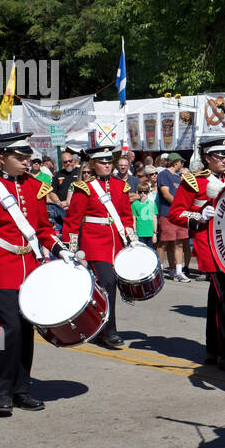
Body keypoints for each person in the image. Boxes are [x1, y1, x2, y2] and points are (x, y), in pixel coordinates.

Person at [0, 133, 66, 416]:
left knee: (26, 330)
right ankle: (2, 391)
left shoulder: (36, 187)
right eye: (19, 158)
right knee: (8, 330)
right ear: (2, 159)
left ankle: (23, 389)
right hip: (3, 268)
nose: (26, 163)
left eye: (27, 158)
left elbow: (43, 228)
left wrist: (61, 250)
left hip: (31, 269)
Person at [167, 137, 225, 370]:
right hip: (209, 245)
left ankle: (213, 350)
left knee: (218, 300)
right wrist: (199, 214)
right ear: (207, 158)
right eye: (218, 157)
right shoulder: (193, 182)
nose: (223, 160)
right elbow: (175, 214)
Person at [61, 144, 138, 350]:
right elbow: (73, 220)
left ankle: (96, 324)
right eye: (102, 162)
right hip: (94, 244)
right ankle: (108, 331)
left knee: (111, 285)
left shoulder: (121, 186)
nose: (107, 165)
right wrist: (72, 249)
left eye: (109, 162)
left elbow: (126, 216)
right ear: (93, 165)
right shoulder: (84, 188)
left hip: (117, 242)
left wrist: (131, 236)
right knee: (108, 282)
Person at [156, 153, 192, 282]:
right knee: (164, 243)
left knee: (178, 243)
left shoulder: (177, 178)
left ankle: (177, 271)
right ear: (176, 162)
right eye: (181, 162)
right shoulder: (163, 174)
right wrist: (179, 206)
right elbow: (166, 194)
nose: (182, 164)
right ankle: (159, 272)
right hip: (167, 213)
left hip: (178, 215)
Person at [132, 176, 158, 248]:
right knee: (141, 251)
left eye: (145, 192)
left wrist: (155, 233)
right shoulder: (135, 204)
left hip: (150, 233)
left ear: (149, 192)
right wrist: (135, 233)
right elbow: (134, 219)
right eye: (140, 192)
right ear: (137, 192)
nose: (143, 194)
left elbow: (154, 219)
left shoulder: (152, 204)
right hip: (140, 233)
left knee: (151, 251)